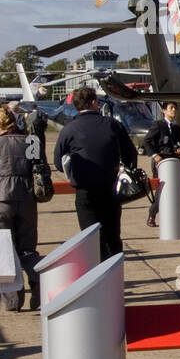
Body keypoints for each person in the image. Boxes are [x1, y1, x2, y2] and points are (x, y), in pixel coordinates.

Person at [52, 86, 138, 261]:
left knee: (90, 237)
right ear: (93, 102)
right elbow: (130, 153)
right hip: (110, 188)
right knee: (112, 236)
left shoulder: (69, 129)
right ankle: (113, 275)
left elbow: (58, 162)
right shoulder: (112, 125)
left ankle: (95, 274)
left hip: (85, 191)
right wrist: (125, 172)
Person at [0, 108, 41, 310]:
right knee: (28, 246)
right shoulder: (30, 141)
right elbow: (38, 166)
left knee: (6, 250)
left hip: (2, 198)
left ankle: (14, 299)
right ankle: (37, 282)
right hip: (27, 196)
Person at [143, 101, 180, 228]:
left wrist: (179, 149)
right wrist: (155, 155)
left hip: (174, 162)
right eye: (171, 108)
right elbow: (147, 141)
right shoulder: (158, 125)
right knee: (161, 190)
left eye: (175, 108)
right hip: (161, 161)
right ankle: (152, 215)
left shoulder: (177, 128)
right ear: (164, 111)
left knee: (174, 190)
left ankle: (172, 215)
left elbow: (178, 143)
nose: (174, 110)